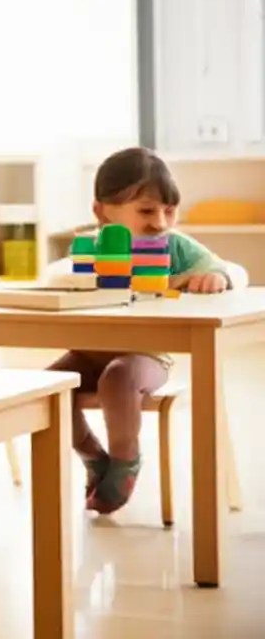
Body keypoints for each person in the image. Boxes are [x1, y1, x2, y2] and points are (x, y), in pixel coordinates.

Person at [48, 147, 231, 515]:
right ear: (101, 211)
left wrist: (216, 278)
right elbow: (59, 276)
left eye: (169, 210)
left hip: (146, 356)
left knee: (119, 377)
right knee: (47, 389)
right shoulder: (89, 248)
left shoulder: (175, 247)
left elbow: (230, 272)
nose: (160, 222)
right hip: (87, 352)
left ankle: (125, 463)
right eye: (146, 210)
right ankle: (94, 457)